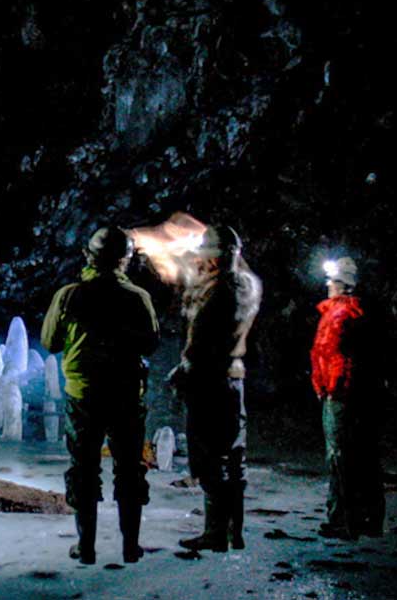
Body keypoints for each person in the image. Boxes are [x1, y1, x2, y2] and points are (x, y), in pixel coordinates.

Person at [42, 227, 160, 565]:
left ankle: (87, 547)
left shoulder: (69, 296)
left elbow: (50, 342)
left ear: (87, 255)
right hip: (126, 395)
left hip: (83, 395)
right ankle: (130, 547)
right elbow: (150, 343)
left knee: (83, 468)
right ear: (126, 260)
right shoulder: (137, 297)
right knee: (129, 469)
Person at [170, 225, 261, 552]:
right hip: (234, 377)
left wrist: (182, 373)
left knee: (209, 458)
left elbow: (200, 340)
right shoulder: (249, 285)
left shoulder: (216, 292)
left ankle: (215, 533)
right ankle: (235, 531)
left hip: (209, 381)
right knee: (234, 456)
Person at [311, 257, 385, 539]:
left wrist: (329, 387)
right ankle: (369, 519)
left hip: (340, 394)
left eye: (333, 281)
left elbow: (332, 356)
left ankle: (343, 520)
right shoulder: (360, 312)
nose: (328, 285)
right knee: (363, 454)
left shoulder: (339, 315)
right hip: (357, 393)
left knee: (340, 457)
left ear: (344, 285)